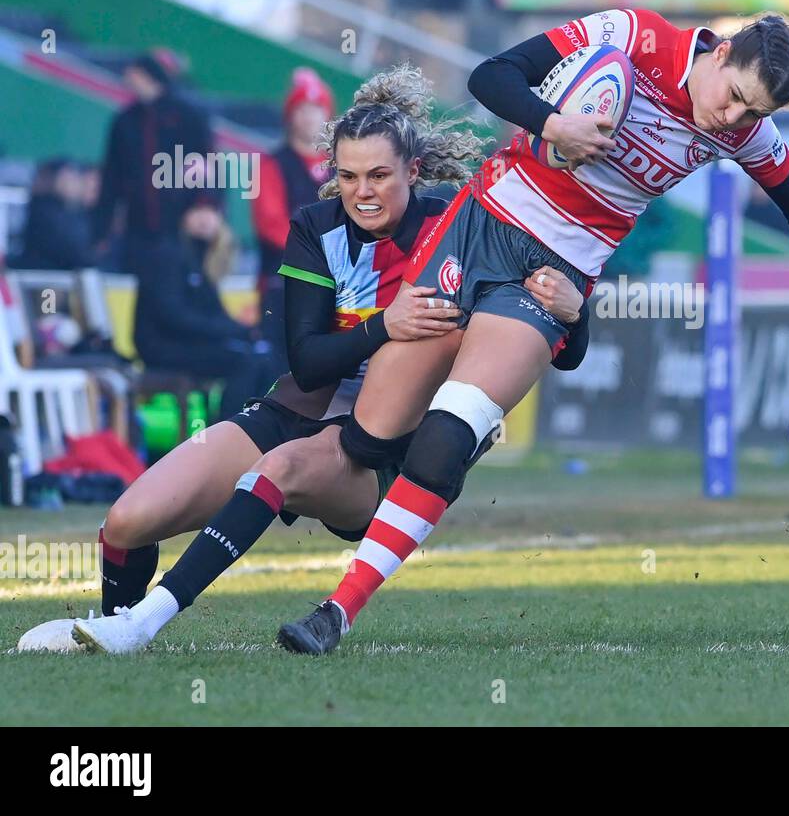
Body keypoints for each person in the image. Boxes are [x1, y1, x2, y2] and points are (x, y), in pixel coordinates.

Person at [276, 9, 789, 655]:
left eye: (753, 113)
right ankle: (327, 474)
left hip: (552, 274)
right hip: (477, 224)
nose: (734, 119)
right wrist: (555, 124)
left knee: (445, 435)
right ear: (720, 54)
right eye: (735, 98)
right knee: (367, 437)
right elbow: (495, 75)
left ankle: (337, 612)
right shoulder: (632, 36)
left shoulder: (746, 134)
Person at [18, 66, 590, 653]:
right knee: (126, 521)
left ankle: (143, 625)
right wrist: (383, 325)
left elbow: (556, 347)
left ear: (413, 173)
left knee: (281, 470)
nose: (361, 191)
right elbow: (309, 361)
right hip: (298, 407)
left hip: (380, 448)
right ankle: (115, 627)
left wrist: (577, 314)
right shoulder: (316, 228)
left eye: (378, 176)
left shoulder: (461, 223)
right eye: (347, 176)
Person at [132, 200, 278, 421]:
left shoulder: (200, 258)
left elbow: (213, 312)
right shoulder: (167, 253)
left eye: (212, 211)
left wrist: (245, 331)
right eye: (197, 209)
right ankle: (226, 434)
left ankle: (256, 431)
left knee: (264, 358)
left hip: (191, 343)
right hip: (164, 346)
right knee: (246, 361)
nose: (205, 218)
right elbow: (174, 316)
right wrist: (233, 331)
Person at [94, 52, 216, 271]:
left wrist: (205, 207)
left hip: (181, 226)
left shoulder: (188, 115)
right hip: (138, 228)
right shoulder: (125, 121)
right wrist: (101, 229)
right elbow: (112, 177)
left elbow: (208, 166)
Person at [251, 68, 336, 369]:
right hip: (283, 284)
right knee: (281, 368)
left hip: (336, 286)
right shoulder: (271, 164)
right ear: (290, 116)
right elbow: (271, 225)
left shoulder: (341, 166)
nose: (310, 117)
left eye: (317, 109)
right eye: (302, 109)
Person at [14, 160, 97, 270]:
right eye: (68, 178)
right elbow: (74, 250)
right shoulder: (43, 210)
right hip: (44, 278)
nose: (73, 184)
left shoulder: (78, 212)